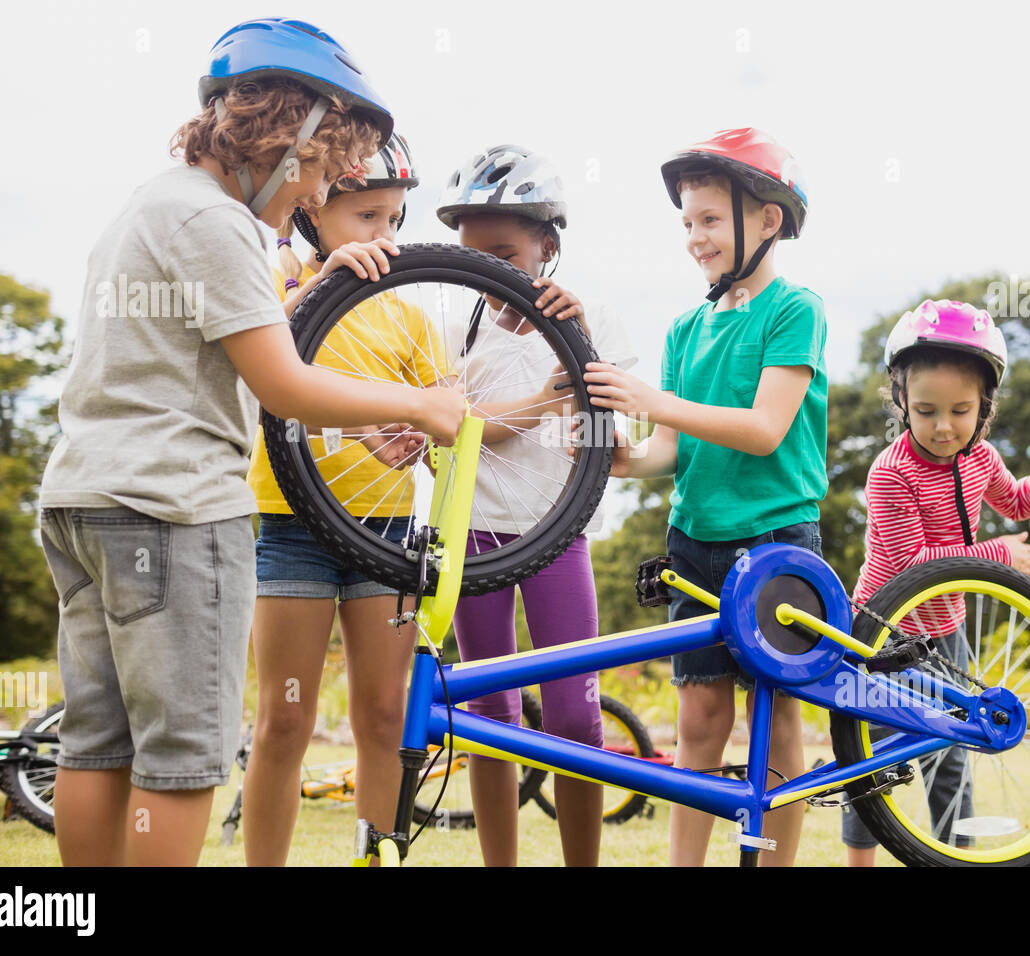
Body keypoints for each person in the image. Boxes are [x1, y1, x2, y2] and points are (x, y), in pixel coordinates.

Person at [36, 18, 464, 867]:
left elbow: (218, 342)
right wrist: (421, 409)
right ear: (284, 133)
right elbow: (285, 386)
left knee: (98, 744)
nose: (313, 196)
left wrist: (313, 289)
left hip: (85, 502)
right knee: (184, 758)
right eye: (316, 171)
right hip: (176, 512)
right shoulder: (218, 223)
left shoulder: (150, 206)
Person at [583, 128, 825, 866]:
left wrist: (653, 399)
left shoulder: (794, 311)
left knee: (779, 719)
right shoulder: (686, 329)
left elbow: (761, 429)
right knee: (699, 720)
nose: (695, 237)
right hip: (696, 543)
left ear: (769, 220)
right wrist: (618, 460)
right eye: (687, 222)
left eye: (711, 219)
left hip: (777, 538)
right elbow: (672, 448)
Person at [842, 297, 1030, 865]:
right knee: (875, 756)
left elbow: (1015, 502)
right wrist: (1000, 556)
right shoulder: (890, 474)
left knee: (954, 751)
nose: (943, 427)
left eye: (961, 411)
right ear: (902, 403)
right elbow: (917, 564)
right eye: (926, 410)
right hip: (883, 635)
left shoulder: (980, 457)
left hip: (948, 632)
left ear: (983, 407)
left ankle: (953, 857)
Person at [240, 132, 445, 866]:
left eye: (393, 219)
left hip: (386, 529)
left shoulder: (408, 315)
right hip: (291, 524)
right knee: (285, 720)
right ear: (314, 211)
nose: (384, 236)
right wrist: (322, 278)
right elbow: (260, 369)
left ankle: (376, 856)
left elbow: (444, 406)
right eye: (366, 218)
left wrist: (420, 430)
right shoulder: (272, 287)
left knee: (387, 714)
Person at [436, 144, 637, 866]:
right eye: (473, 255)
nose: (489, 271)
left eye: (505, 253)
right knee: (490, 715)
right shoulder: (457, 333)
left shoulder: (595, 320)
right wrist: (541, 399)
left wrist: (581, 354)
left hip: (559, 534)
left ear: (548, 245)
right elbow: (457, 430)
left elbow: (618, 440)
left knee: (575, 716)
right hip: (477, 534)